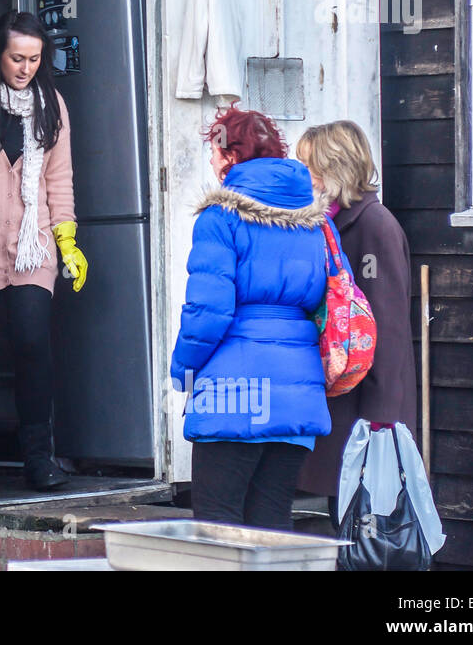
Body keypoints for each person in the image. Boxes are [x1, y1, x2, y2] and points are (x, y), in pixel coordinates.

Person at [171, 105, 338, 530]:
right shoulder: (318, 224)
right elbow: (335, 297)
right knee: (271, 524)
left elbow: (208, 312)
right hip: (298, 388)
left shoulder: (220, 217)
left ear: (232, 156)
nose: (211, 160)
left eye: (214, 151)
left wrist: (183, 370)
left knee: (217, 524)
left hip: (235, 390)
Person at [0, 11, 88, 491]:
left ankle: (38, 459)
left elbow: (58, 179)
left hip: (32, 247)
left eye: (34, 59)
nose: (24, 68)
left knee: (32, 348)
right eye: (16, 58)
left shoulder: (51, 105)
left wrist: (68, 241)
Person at [295, 120, 416, 528]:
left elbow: (391, 331)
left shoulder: (374, 225)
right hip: (344, 406)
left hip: (368, 415)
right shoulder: (329, 224)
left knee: (361, 528)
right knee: (344, 518)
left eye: (309, 167)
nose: (304, 176)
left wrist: (382, 418)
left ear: (335, 169)